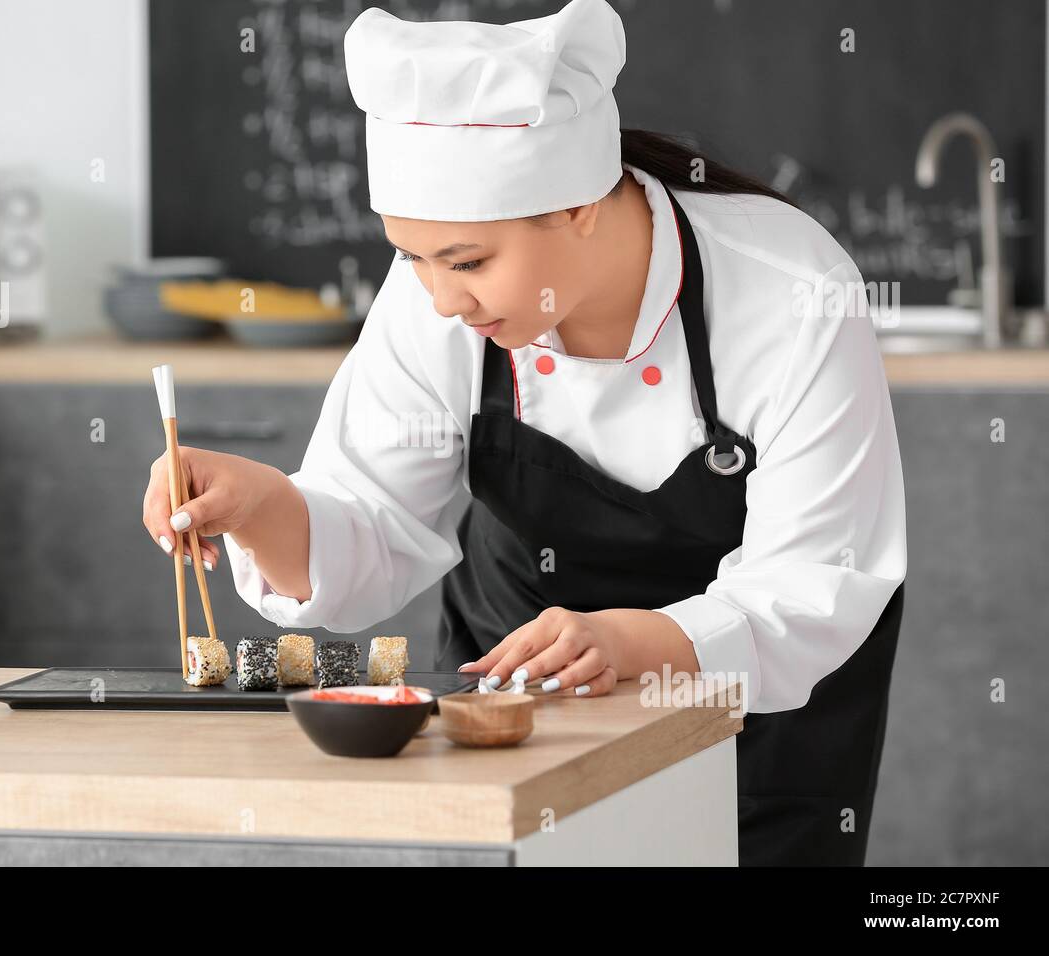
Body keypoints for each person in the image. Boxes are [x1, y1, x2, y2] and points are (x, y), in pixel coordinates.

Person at [141, 0, 906, 866]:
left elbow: (816, 580)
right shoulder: (436, 303)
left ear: (578, 205)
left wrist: (629, 642)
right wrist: (260, 505)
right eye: (412, 257)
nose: (440, 299)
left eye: (467, 262)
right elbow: (368, 522)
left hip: (760, 713)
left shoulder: (790, 292)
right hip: (514, 705)